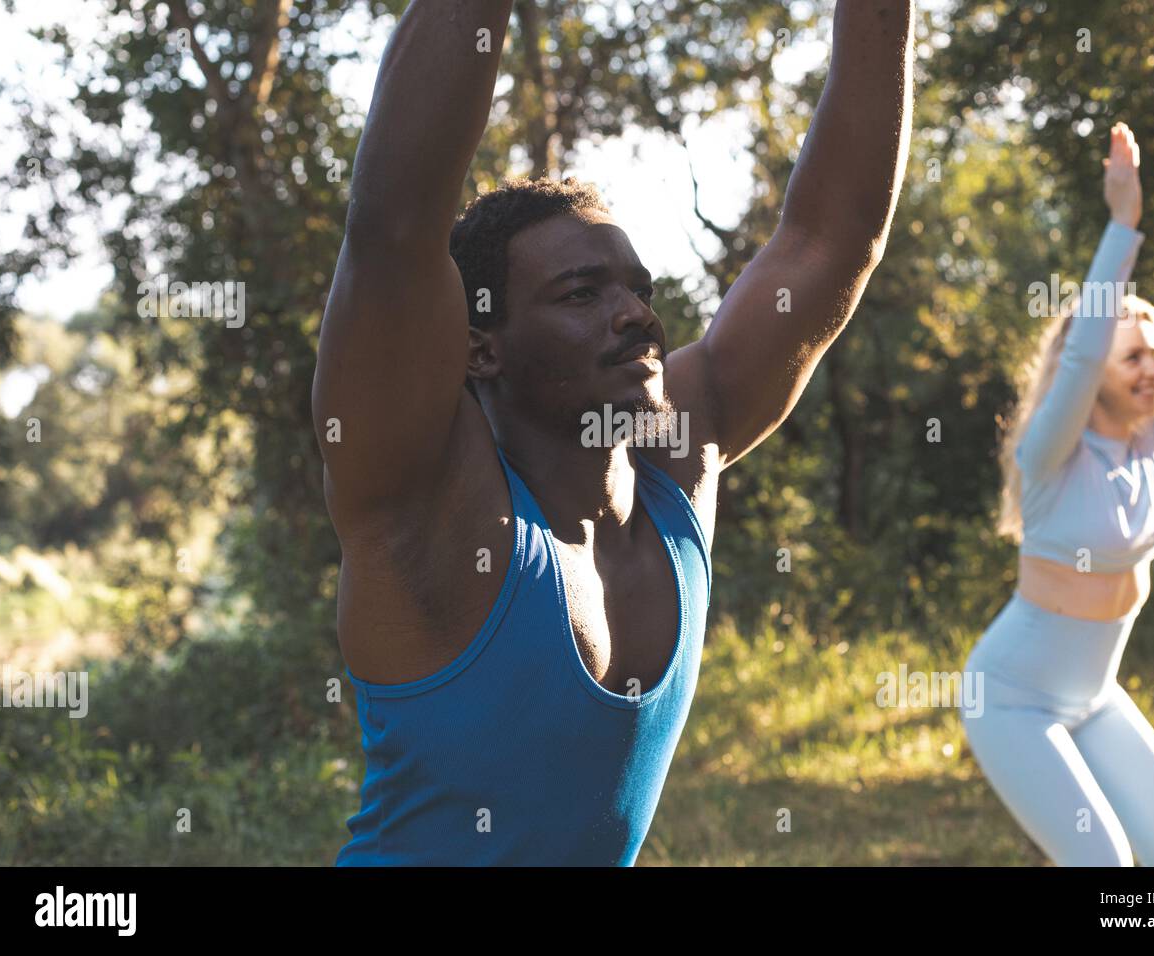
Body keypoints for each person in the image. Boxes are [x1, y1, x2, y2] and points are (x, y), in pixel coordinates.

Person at [313, 0, 916, 864]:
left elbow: (832, 238)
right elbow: (393, 225)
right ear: (479, 346)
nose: (636, 315)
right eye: (580, 294)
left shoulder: (679, 456)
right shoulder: (429, 507)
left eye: (639, 289)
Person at [961, 123, 1154, 866]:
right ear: (1094, 364)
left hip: (1095, 695)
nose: (1152, 370)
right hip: (1009, 700)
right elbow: (1079, 356)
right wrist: (1122, 227)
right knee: (1105, 868)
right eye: (1133, 356)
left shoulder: (1148, 439)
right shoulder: (1049, 455)